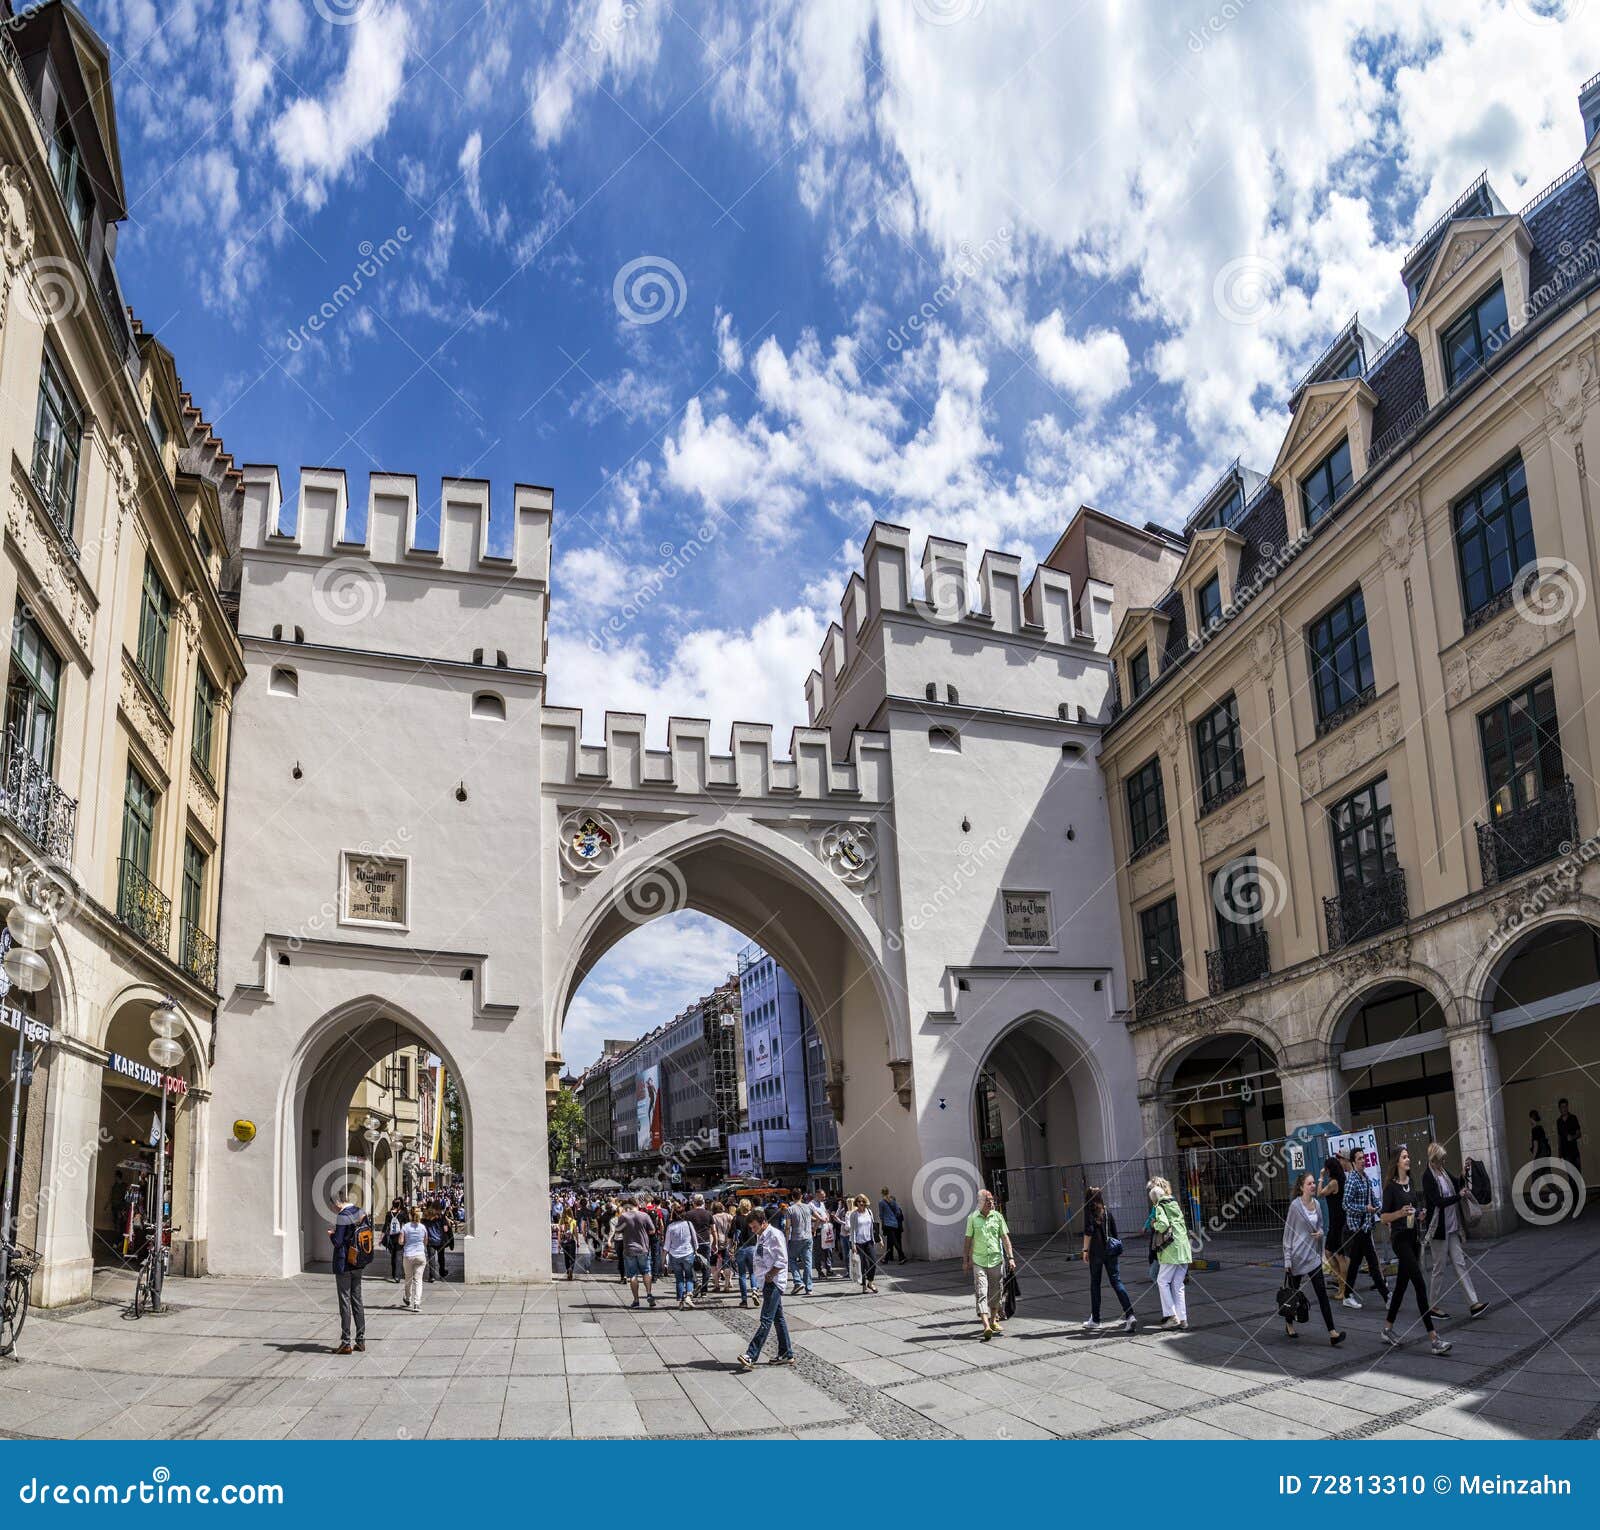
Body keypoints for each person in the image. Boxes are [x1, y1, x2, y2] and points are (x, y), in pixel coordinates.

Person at [1379, 1146, 1451, 1355]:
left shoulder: (1410, 1184)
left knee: (1401, 1286)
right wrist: (1399, 1213)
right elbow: (1383, 1217)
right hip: (1399, 1240)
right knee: (1419, 1284)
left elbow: (1413, 1210)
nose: (1408, 1159)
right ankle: (1434, 1339)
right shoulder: (1391, 1188)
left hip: (1413, 1239)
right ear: (1397, 1162)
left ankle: (1386, 1329)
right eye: (1404, 1157)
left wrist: (1420, 1213)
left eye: (1408, 1156)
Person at [1422, 1142, 1488, 1320]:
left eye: (1444, 1159)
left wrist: (1463, 1172)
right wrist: (1457, 1196)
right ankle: (1432, 1306)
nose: (1443, 1162)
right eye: (1441, 1159)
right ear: (1434, 1159)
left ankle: (1473, 1303)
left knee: (1460, 1264)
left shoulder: (1443, 1172)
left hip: (1452, 1227)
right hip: (1439, 1229)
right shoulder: (1428, 1176)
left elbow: (1456, 1183)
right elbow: (1438, 1202)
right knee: (1439, 1269)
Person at [1282, 1172, 1345, 1346]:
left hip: (1313, 1258)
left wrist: (1320, 1234)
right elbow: (1287, 1236)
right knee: (1292, 1296)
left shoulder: (1317, 1204)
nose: (1312, 1186)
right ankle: (1289, 1324)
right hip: (1296, 1258)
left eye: (1313, 1183)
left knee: (1322, 1295)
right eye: (1309, 1184)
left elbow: (1321, 1227)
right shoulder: (1295, 1207)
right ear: (1302, 1187)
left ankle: (1332, 1332)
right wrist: (1287, 1260)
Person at [736, 1206, 796, 1370]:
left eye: (755, 1227)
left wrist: (770, 1275)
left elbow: (782, 1260)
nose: (753, 1230)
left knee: (766, 1319)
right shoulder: (762, 1235)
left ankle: (751, 1355)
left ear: (763, 1223)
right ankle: (786, 1353)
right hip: (766, 1281)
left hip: (774, 1282)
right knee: (778, 1318)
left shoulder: (775, 1235)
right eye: (751, 1228)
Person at [1079, 1186, 1135, 1332]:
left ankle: (1096, 1319)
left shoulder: (1089, 1211)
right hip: (1110, 1252)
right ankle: (1130, 1315)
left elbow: (1088, 1231)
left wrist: (1085, 1250)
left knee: (1095, 1285)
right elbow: (1115, 1233)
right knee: (1117, 1282)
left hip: (1096, 1253)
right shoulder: (1107, 1211)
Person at [1340, 1148, 1390, 1310]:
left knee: (1355, 1265)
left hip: (1365, 1227)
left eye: (1364, 1158)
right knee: (1373, 1263)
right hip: (1356, 1229)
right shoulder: (1352, 1180)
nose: (1363, 1161)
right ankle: (1387, 1296)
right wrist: (1364, 1209)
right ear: (1353, 1162)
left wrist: (1384, 1214)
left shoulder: (1365, 1178)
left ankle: (1347, 1295)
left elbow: (1374, 1201)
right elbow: (1345, 1204)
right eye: (1360, 1159)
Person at [963, 1187, 1015, 1338]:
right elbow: (967, 1241)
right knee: (981, 1292)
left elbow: (1005, 1239)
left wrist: (1010, 1257)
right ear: (980, 1203)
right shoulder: (972, 1218)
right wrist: (965, 1260)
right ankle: (986, 1326)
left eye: (992, 1200)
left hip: (996, 1260)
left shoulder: (998, 1217)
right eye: (988, 1200)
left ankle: (993, 1320)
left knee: (996, 1292)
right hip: (979, 1261)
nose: (991, 1203)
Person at [1146, 1176, 1191, 1332]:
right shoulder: (1174, 1203)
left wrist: (1154, 1224)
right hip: (1183, 1248)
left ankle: (1172, 1317)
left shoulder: (1159, 1206)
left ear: (1154, 1199)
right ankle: (1183, 1319)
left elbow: (1163, 1224)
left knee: (1162, 1281)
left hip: (1170, 1250)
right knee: (1178, 1285)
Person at [328, 1190, 368, 1355]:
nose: (334, 1209)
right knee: (357, 1300)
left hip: (344, 1263)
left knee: (345, 1302)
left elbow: (338, 1242)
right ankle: (361, 1340)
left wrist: (331, 1235)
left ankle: (346, 1342)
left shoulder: (342, 1215)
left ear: (338, 1203)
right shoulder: (361, 1212)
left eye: (333, 1206)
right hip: (358, 1262)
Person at [613, 1194, 658, 1310]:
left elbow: (617, 1231)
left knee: (632, 1275)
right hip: (643, 1248)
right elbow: (653, 1230)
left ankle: (636, 1301)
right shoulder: (644, 1216)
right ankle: (648, 1293)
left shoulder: (623, 1217)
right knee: (646, 1272)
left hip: (629, 1249)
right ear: (637, 1205)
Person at [1318, 1151, 1350, 1303]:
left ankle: (1343, 1290)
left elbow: (1319, 1193)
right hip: (1339, 1219)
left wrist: (1321, 1177)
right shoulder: (1341, 1179)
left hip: (1337, 1222)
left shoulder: (1333, 1183)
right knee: (1331, 1252)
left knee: (1337, 1255)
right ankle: (1341, 1285)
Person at [665, 1203, 698, 1309]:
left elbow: (666, 1244)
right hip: (688, 1253)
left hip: (674, 1255)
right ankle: (688, 1294)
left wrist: (663, 1259)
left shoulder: (670, 1227)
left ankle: (680, 1302)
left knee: (679, 1278)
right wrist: (696, 1250)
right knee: (689, 1276)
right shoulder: (689, 1224)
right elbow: (694, 1238)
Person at [784, 1192, 815, 1296]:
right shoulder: (808, 1207)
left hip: (796, 1238)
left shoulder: (790, 1209)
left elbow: (788, 1227)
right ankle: (809, 1288)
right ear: (801, 1196)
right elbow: (819, 1218)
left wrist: (786, 1240)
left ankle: (798, 1281)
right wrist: (814, 1229)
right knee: (808, 1262)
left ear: (792, 1197)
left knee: (791, 1259)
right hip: (808, 1237)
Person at [399, 1204, 429, 1312]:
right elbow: (426, 1242)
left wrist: (406, 1241)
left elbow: (401, 1241)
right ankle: (417, 1304)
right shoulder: (423, 1227)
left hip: (408, 1255)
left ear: (410, 1215)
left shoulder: (405, 1227)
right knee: (418, 1280)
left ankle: (407, 1298)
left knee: (408, 1278)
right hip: (420, 1255)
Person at [686, 1193, 715, 1297]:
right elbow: (713, 1230)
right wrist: (714, 1242)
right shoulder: (708, 1213)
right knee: (706, 1266)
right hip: (706, 1242)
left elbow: (686, 1229)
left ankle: (695, 1282)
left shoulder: (688, 1214)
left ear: (693, 1202)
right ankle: (704, 1290)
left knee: (691, 1264)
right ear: (702, 1202)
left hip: (692, 1243)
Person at [849, 1194, 879, 1293]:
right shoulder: (854, 1214)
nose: (861, 1203)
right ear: (856, 1203)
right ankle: (863, 1286)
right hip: (858, 1243)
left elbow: (873, 1227)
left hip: (869, 1241)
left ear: (866, 1202)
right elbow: (852, 1230)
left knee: (873, 1262)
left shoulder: (869, 1212)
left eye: (863, 1201)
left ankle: (870, 1282)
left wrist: (879, 1238)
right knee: (862, 1265)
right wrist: (853, 1244)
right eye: (859, 1202)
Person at [734, 1197, 758, 1307]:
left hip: (741, 1248)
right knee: (753, 1272)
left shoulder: (736, 1219)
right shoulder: (753, 1218)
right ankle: (754, 1290)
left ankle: (744, 1300)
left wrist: (730, 1247)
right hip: (752, 1247)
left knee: (742, 1275)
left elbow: (732, 1235)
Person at [878, 1189, 907, 1263]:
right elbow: (898, 1212)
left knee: (894, 1241)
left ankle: (902, 1256)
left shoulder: (881, 1202)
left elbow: (881, 1215)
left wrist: (883, 1223)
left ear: (882, 1193)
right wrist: (892, 1217)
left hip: (887, 1224)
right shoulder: (893, 1201)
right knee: (890, 1241)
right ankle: (886, 1259)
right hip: (894, 1223)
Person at [711, 1200, 734, 1292]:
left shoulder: (713, 1217)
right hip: (727, 1241)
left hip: (715, 1242)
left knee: (713, 1264)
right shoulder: (729, 1216)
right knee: (727, 1264)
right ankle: (727, 1285)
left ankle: (717, 1285)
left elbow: (712, 1231)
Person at [1557, 1098, 1582, 1173]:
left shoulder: (1573, 1118)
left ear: (1567, 1107)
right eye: (1562, 1107)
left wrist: (1573, 1137)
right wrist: (1559, 1153)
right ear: (1559, 1109)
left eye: (1565, 1106)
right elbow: (1559, 1137)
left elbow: (1579, 1133)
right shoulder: (1558, 1121)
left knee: (1578, 1174)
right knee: (1571, 1176)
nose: (1564, 1109)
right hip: (1565, 1153)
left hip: (1574, 1151)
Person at [384, 1198, 405, 1283]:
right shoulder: (402, 1214)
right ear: (399, 1205)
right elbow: (406, 1224)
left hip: (391, 1237)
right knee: (398, 1256)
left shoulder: (388, 1214)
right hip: (399, 1236)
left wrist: (382, 1236)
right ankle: (397, 1276)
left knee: (393, 1256)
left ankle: (394, 1273)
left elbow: (385, 1226)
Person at [559, 1204, 580, 1281]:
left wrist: (559, 1242)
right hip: (571, 1242)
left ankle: (568, 1271)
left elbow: (559, 1232)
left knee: (566, 1257)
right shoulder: (573, 1221)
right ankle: (571, 1268)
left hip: (564, 1242)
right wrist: (578, 1241)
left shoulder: (561, 1221)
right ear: (571, 1212)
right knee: (572, 1257)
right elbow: (575, 1232)